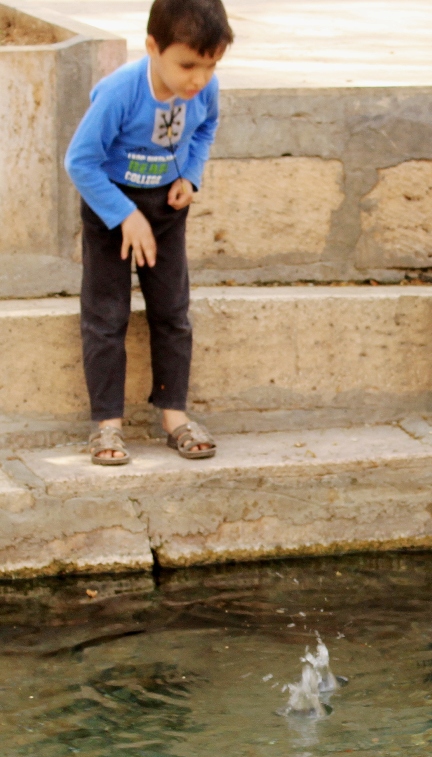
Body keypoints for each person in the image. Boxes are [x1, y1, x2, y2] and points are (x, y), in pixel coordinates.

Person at [64, 0, 232, 466]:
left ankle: (173, 416)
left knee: (172, 312)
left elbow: (205, 129)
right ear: (152, 47)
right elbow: (80, 162)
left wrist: (190, 176)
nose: (198, 79)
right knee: (106, 314)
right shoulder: (120, 92)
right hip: (111, 208)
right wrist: (123, 215)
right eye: (187, 65)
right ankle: (107, 426)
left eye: (211, 64)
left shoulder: (206, 88)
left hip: (164, 209)